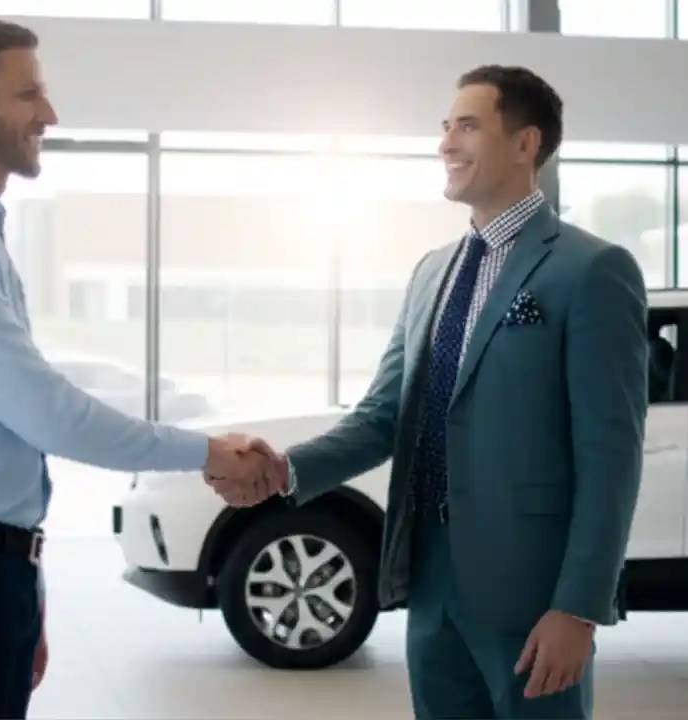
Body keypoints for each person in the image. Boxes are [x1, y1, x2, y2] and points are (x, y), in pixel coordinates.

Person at [0, 17, 273, 719]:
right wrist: (205, 451)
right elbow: (45, 412)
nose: (49, 115)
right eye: (29, 95)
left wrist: (27, 581)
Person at [243, 66, 647, 719]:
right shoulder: (433, 272)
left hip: (533, 592)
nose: (445, 143)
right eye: (443, 127)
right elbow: (381, 418)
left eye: (467, 125)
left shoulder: (591, 269)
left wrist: (579, 607)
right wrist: (286, 469)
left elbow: (611, 458)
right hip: (429, 581)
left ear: (525, 144)